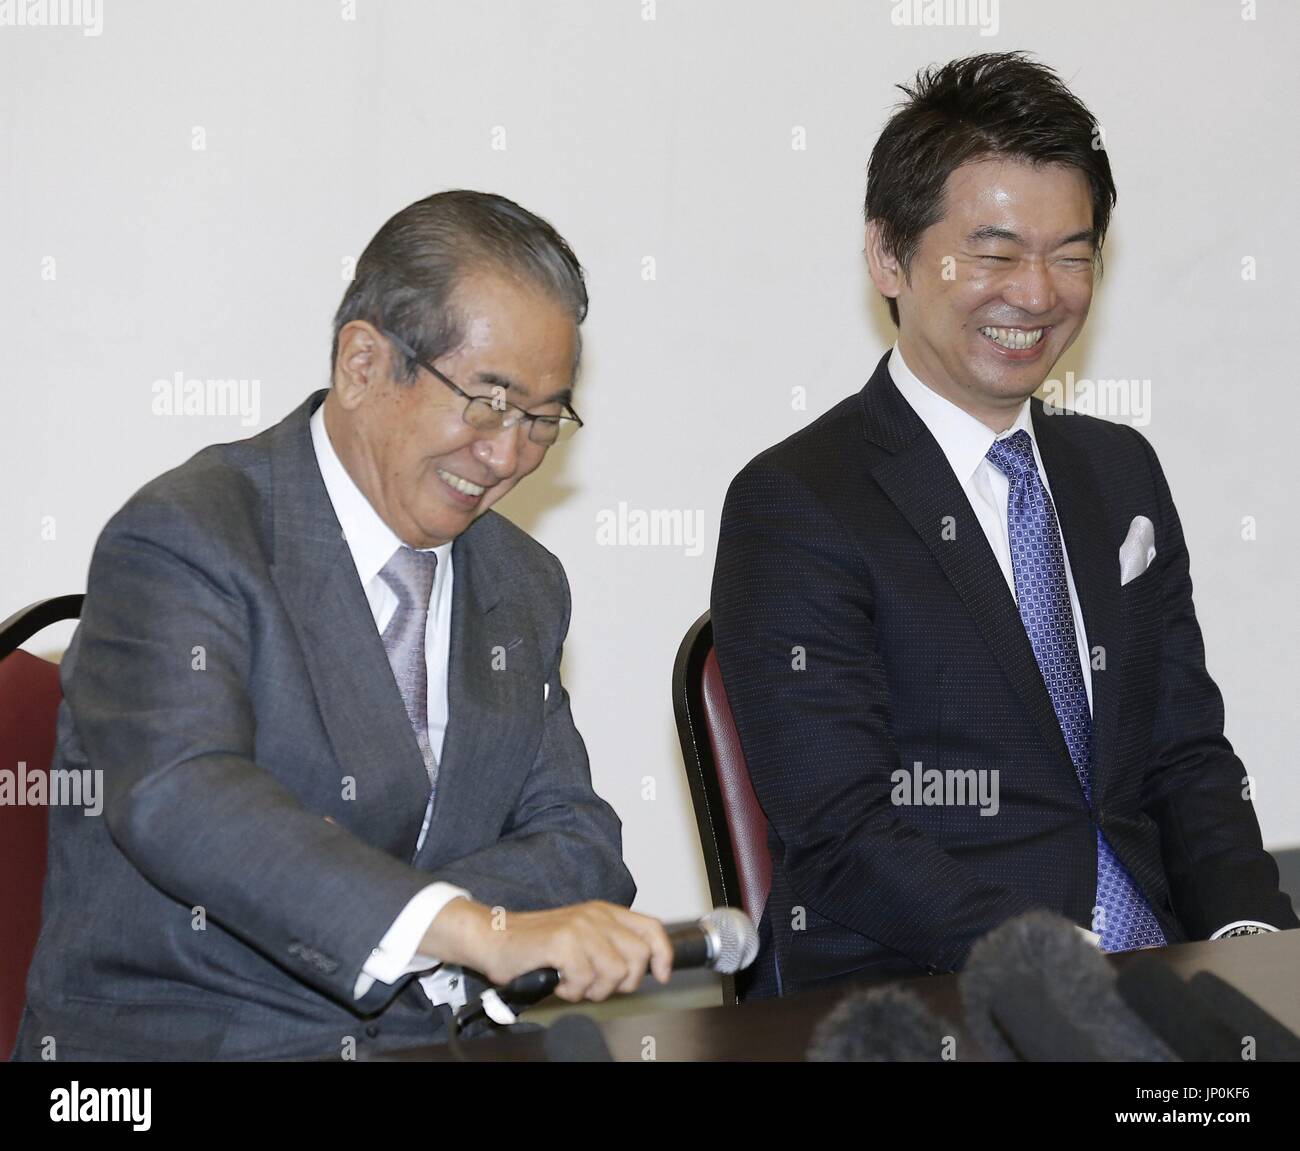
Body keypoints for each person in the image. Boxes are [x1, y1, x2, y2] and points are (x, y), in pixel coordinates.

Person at [14, 190, 671, 1061]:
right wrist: (463, 929)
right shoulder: (189, 535)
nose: (509, 455)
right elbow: (185, 797)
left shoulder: (523, 579)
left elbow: (577, 838)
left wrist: (445, 931)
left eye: (543, 419)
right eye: (488, 402)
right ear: (363, 363)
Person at [711, 53, 1297, 1000]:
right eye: (993, 253)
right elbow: (845, 830)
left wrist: (1251, 932)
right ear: (889, 257)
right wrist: (1067, 973)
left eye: (1071, 254)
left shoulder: (1119, 473)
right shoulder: (798, 501)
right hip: (933, 987)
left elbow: (1186, 753)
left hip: (1156, 965)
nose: (1037, 293)